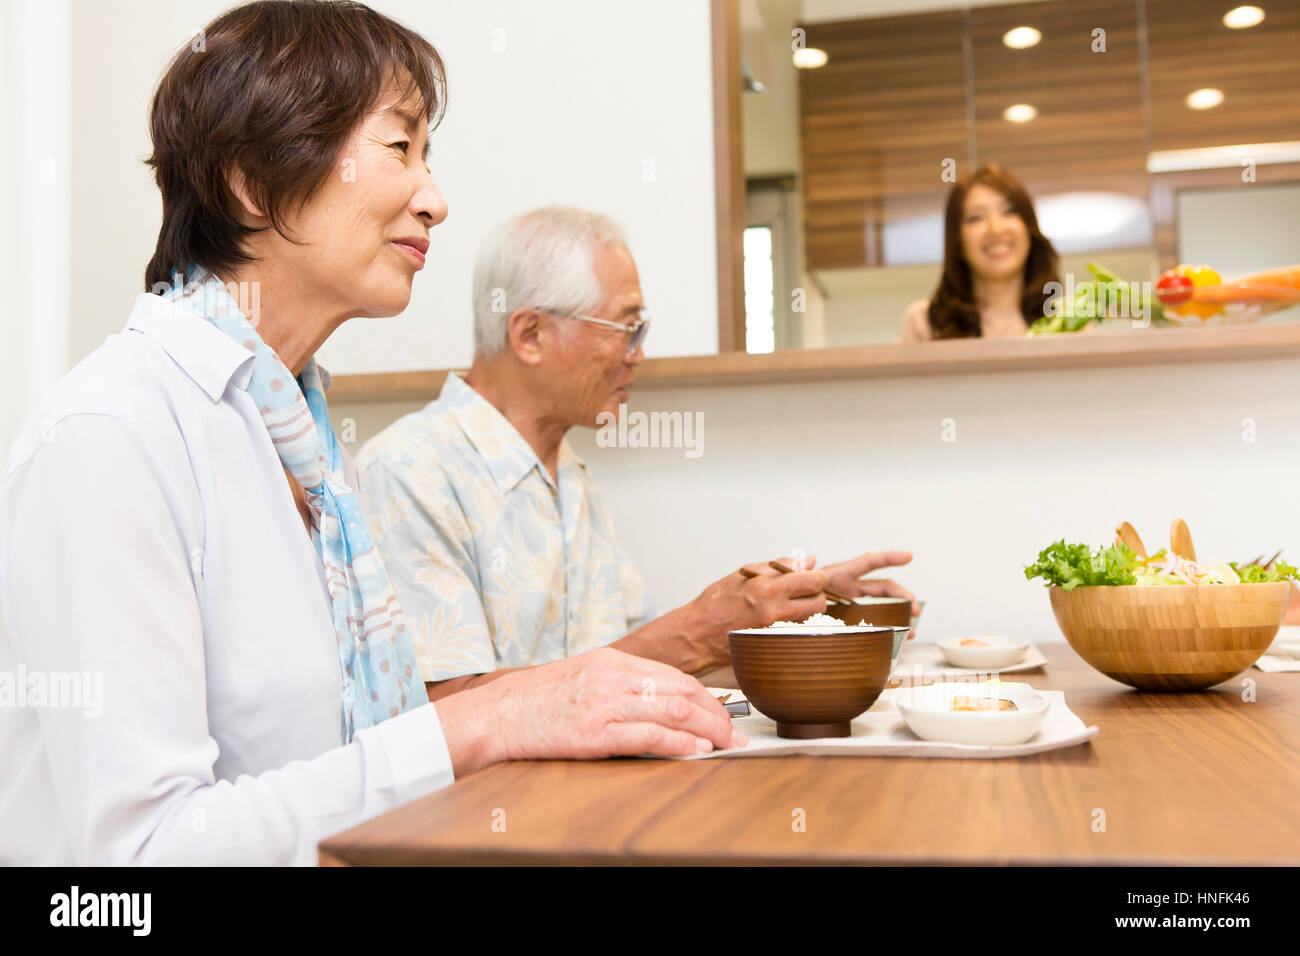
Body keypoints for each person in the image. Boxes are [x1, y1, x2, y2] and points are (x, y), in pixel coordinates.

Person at [0, 0, 741, 867]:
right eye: (401, 148)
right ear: (254, 177)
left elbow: (330, 767)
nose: (436, 199)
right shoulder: (112, 434)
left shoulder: (295, 433)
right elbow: (142, 858)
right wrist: (483, 720)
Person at [357, 206, 919, 700]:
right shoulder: (409, 473)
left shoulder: (568, 473)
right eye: (627, 328)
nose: (639, 355)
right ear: (530, 335)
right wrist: (697, 630)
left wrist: (799, 613)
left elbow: (636, 660)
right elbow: (447, 710)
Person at [900, 164, 1060, 341]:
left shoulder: (1066, 320)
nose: (996, 229)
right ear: (958, 241)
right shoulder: (923, 323)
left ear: (1029, 228)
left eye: (1008, 211)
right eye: (976, 217)